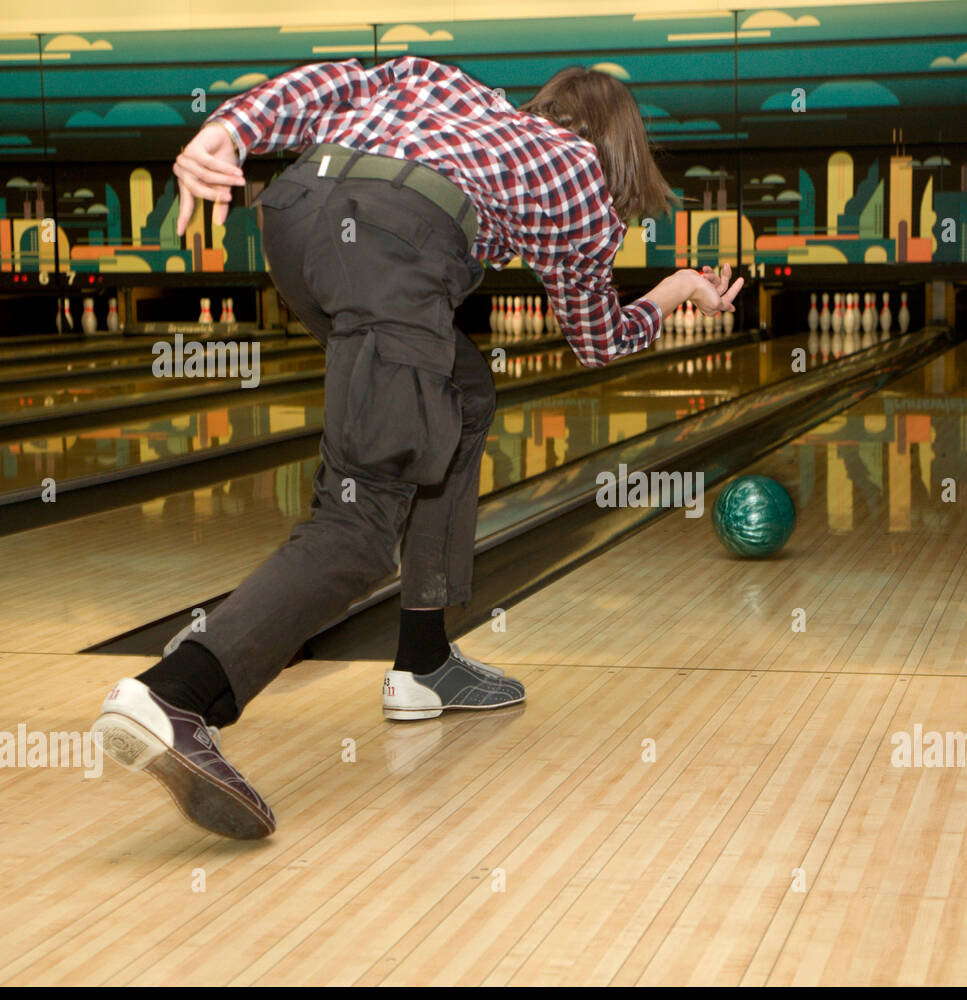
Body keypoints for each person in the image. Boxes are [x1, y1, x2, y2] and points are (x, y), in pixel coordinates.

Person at [91, 57, 744, 841]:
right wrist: (674, 292)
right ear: (621, 145)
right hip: (391, 245)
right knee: (360, 522)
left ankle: (425, 656)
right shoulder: (582, 176)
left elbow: (331, 82)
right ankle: (179, 691)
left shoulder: (449, 87)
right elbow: (598, 340)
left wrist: (230, 129)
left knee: (463, 393)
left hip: (298, 218)